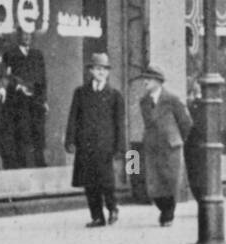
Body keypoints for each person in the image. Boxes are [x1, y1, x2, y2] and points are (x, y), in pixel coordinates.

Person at [65, 52, 125, 228]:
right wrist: (70, 140)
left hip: (105, 145)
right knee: (89, 183)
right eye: (97, 68)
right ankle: (97, 216)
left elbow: (120, 123)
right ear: (91, 70)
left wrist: (120, 147)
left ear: (108, 72)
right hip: (86, 145)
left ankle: (113, 208)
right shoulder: (81, 93)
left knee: (106, 181)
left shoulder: (114, 95)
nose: (100, 72)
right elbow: (73, 118)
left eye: (104, 69)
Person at [136, 65, 193, 226]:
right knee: (154, 183)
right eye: (144, 78)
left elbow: (186, 122)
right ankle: (164, 210)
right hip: (152, 147)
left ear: (158, 81)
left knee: (170, 182)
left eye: (149, 78)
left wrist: (176, 139)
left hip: (170, 147)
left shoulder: (172, 99)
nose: (145, 81)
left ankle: (168, 214)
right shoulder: (144, 101)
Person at [1, 27, 47, 168]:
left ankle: (40, 164)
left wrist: (44, 100)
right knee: (22, 134)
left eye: (29, 34)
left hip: (36, 101)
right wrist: (18, 87)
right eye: (24, 34)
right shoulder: (10, 54)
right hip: (19, 102)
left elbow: (43, 79)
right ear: (18, 36)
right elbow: (5, 77)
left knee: (38, 133)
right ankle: (22, 166)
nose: (26, 37)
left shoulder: (37, 54)